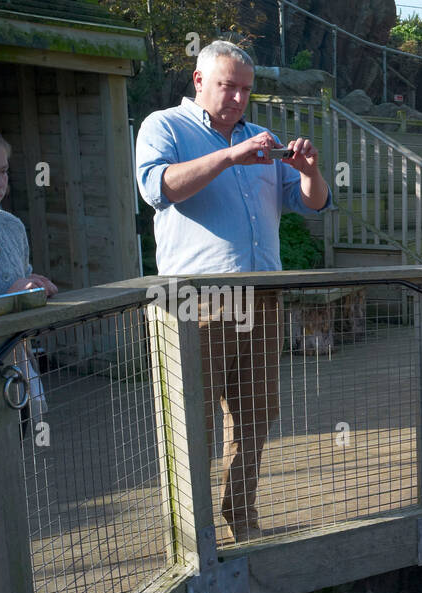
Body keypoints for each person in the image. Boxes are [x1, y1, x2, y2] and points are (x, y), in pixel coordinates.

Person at [135, 39, 333, 543]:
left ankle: (240, 517)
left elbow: (312, 203)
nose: (239, 98)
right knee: (194, 421)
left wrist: (309, 171)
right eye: (228, 86)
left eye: (246, 89)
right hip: (195, 303)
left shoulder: (263, 140)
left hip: (261, 298)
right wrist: (229, 157)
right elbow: (158, 188)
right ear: (199, 81)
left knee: (257, 415)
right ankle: (192, 534)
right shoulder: (165, 126)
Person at [0, 128, 55, 431]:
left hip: (14, 377)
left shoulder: (13, 227)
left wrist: (35, 287)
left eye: (3, 171)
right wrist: (9, 295)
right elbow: (9, 290)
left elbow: (19, 278)